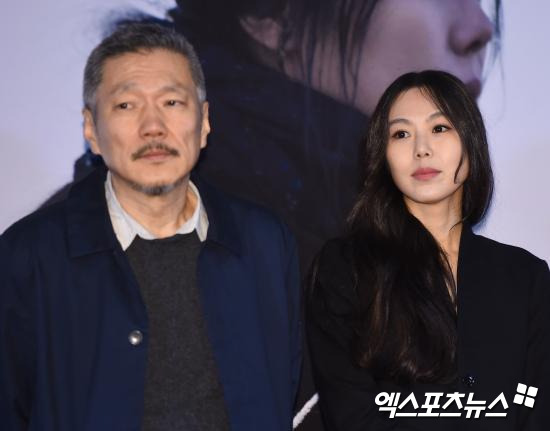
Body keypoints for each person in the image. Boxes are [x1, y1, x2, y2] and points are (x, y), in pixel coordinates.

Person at [0, 22, 301, 431]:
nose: (153, 126)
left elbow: (283, 388)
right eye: (126, 105)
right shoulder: (29, 256)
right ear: (91, 130)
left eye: (172, 102)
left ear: (204, 121)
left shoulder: (264, 242)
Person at [306, 70, 550, 430]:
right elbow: (351, 411)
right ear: (383, 155)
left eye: (439, 128)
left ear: (470, 142)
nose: (421, 149)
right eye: (401, 134)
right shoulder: (347, 268)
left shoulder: (524, 275)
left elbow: (534, 395)